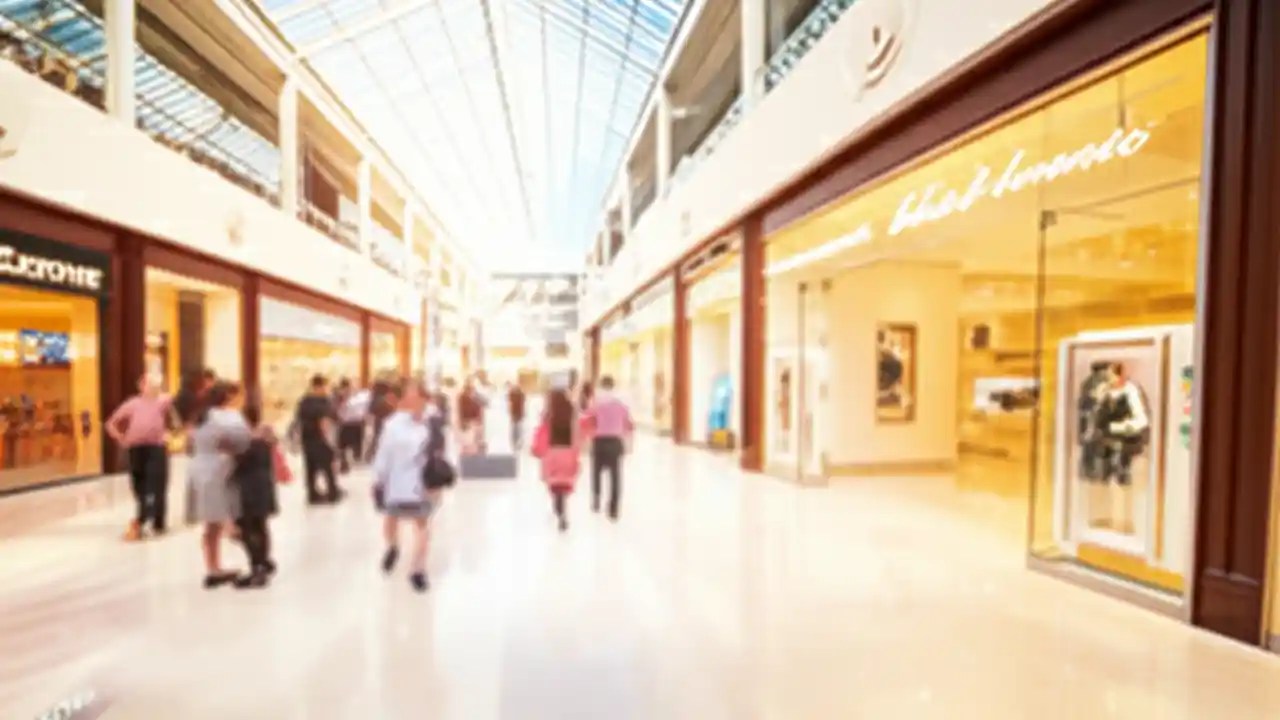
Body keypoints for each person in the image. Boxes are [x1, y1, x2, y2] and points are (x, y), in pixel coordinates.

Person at [373, 378, 446, 593]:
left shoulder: (432, 420)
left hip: (423, 482)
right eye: (408, 394)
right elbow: (384, 453)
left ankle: (418, 569)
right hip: (396, 481)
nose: (411, 399)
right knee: (391, 518)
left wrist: (439, 477)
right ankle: (393, 547)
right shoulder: (393, 423)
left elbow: (441, 449)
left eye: (415, 394)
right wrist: (379, 477)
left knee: (422, 524)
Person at [188, 382, 251, 589]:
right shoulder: (228, 416)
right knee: (225, 518)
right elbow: (242, 441)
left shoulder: (201, 416)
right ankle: (256, 557)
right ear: (229, 397)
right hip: (220, 468)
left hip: (199, 467)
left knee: (211, 523)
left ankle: (213, 567)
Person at [106, 373, 172, 541]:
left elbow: (179, 409)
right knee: (139, 483)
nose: (153, 388)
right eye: (149, 384)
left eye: (155, 384)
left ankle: (158, 521)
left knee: (157, 483)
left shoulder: (163, 401)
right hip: (136, 448)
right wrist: (121, 438)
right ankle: (142, 516)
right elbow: (111, 423)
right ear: (141, 386)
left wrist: (169, 434)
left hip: (156, 447)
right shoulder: (132, 404)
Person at [231, 392, 279, 589]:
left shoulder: (243, 442)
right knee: (261, 525)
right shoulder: (266, 436)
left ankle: (257, 566)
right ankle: (264, 561)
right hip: (265, 485)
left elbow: (234, 465)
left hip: (247, 488)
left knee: (247, 527)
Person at [585, 375, 633, 521]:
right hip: (615, 441)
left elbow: (589, 422)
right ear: (613, 386)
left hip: (599, 441)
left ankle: (596, 500)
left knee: (596, 472)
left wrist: (588, 439)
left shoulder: (596, 404)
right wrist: (628, 444)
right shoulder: (621, 405)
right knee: (615, 475)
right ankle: (613, 508)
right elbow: (628, 425)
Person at [533, 388, 580, 532]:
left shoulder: (548, 415)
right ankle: (562, 509)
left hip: (552, 454)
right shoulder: (571, 413)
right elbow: (577, 433)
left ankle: (559, 510)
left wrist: (537, 450)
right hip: (568, 452)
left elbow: (542, 433)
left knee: (555, 485)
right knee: (564, 485)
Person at [292, 374, 341, 505]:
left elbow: (298, 419)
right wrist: (329, 440)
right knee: (327, 466)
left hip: (307, 438)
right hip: (320, 438)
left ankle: (312, 494)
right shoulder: (322, 401)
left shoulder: (304, 401)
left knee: (310, 467)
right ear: (321, 386)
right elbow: (324, 422)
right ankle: (332, 492)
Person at [335, 379, 370, 474]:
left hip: (356, 422)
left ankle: (356, 455)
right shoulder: (339, 396)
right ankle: (344, 463)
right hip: (345, 423)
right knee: (342, 445)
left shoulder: (363, 396)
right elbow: (336, 408)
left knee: (356, 441)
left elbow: (366, 407)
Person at [507, 382, 527, 450]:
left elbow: (523, 400)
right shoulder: (514, 394)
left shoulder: (520, 395)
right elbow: (509, 398)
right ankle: (515, 441)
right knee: (516, 428)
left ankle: (517, 441)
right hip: (515, 414)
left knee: (517, 428)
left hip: (518, 414)